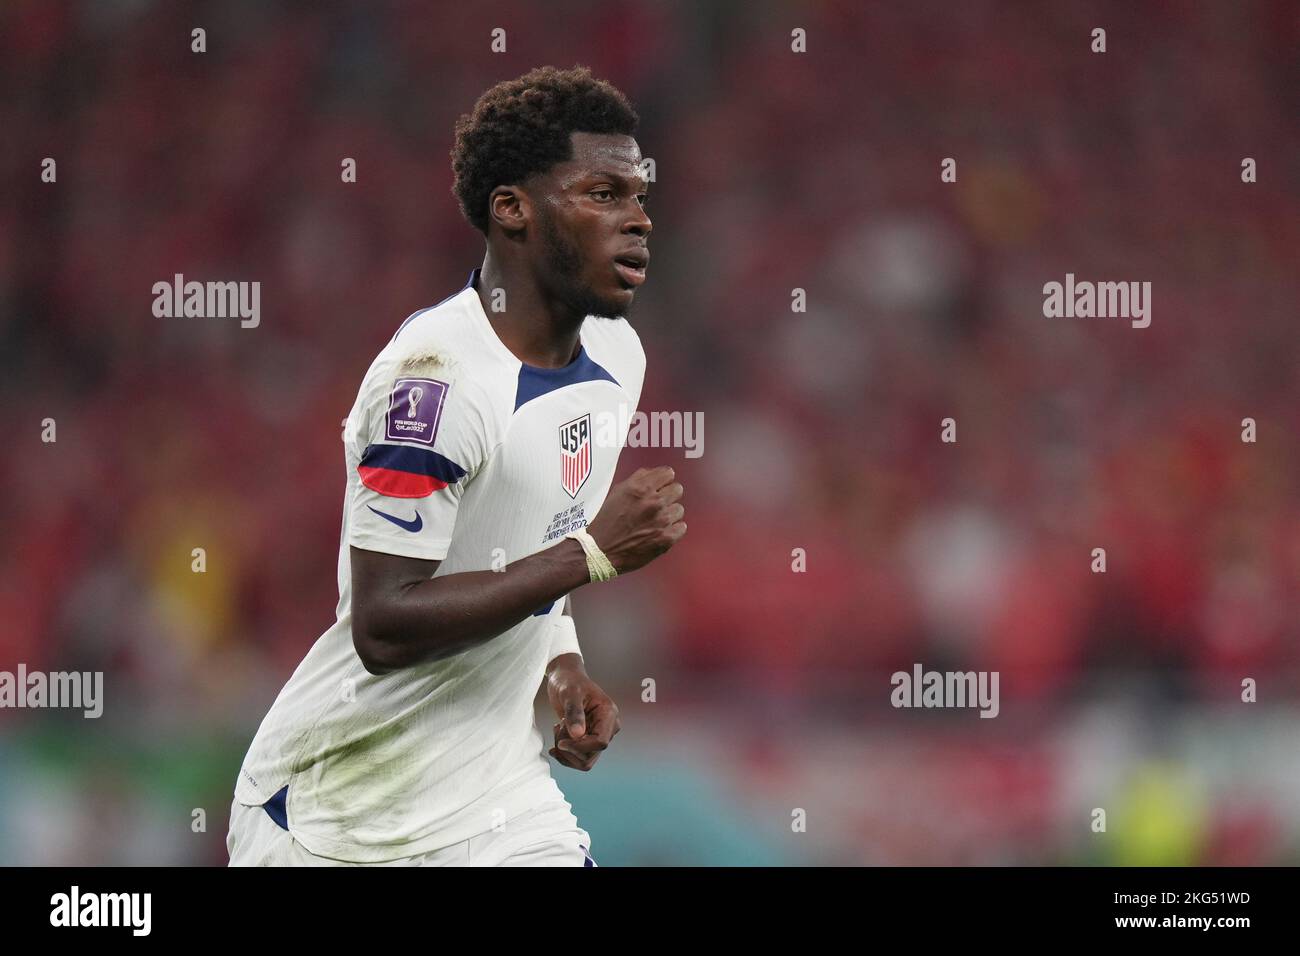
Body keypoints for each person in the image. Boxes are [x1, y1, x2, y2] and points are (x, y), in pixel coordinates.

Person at [227, 65, 685, 866]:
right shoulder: (435, 386)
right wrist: (593, 557)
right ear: (513, 210)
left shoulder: (618, 355)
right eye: (603, 195)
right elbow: (384, 624)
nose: (639, 220)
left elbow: (527, 540)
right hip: (339, 816)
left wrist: (562, 666)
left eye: (639, 195)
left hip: (497, 802)